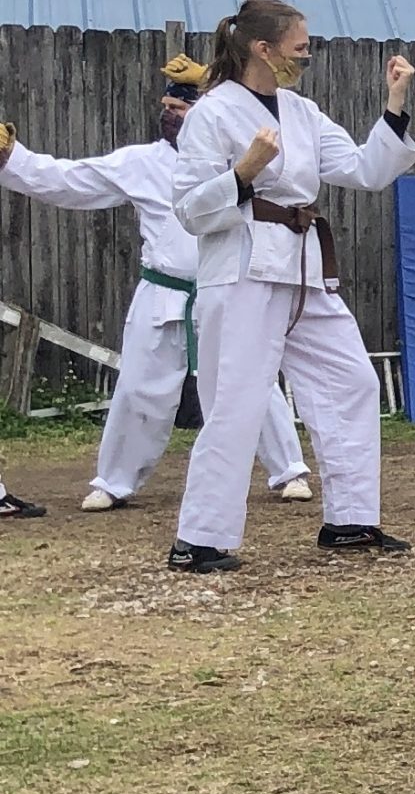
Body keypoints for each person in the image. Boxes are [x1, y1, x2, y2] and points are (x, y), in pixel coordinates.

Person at [169, 0, 415, 573]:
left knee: (351, 379)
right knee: (236, 400)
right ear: (264, 49)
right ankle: (199, 539)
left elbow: (363, 170)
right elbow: (187, 208)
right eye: (300, 46)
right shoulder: (212, 113)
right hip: (242, 269)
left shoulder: (301, 111)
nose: (307, 54)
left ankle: (350, 520)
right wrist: (243, 172)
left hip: (304, 266)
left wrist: (395, 105)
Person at [0, 57, 313, 512]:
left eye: (180, 108)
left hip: (225, 284)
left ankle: (289, 470)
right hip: (162, 289)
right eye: (166, 105)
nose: (169, 114)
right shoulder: (141, 163)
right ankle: (114, 481)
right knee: (140, 387)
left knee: (249, 379)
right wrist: (13, 157)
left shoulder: (246, 163)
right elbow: (70, 179)